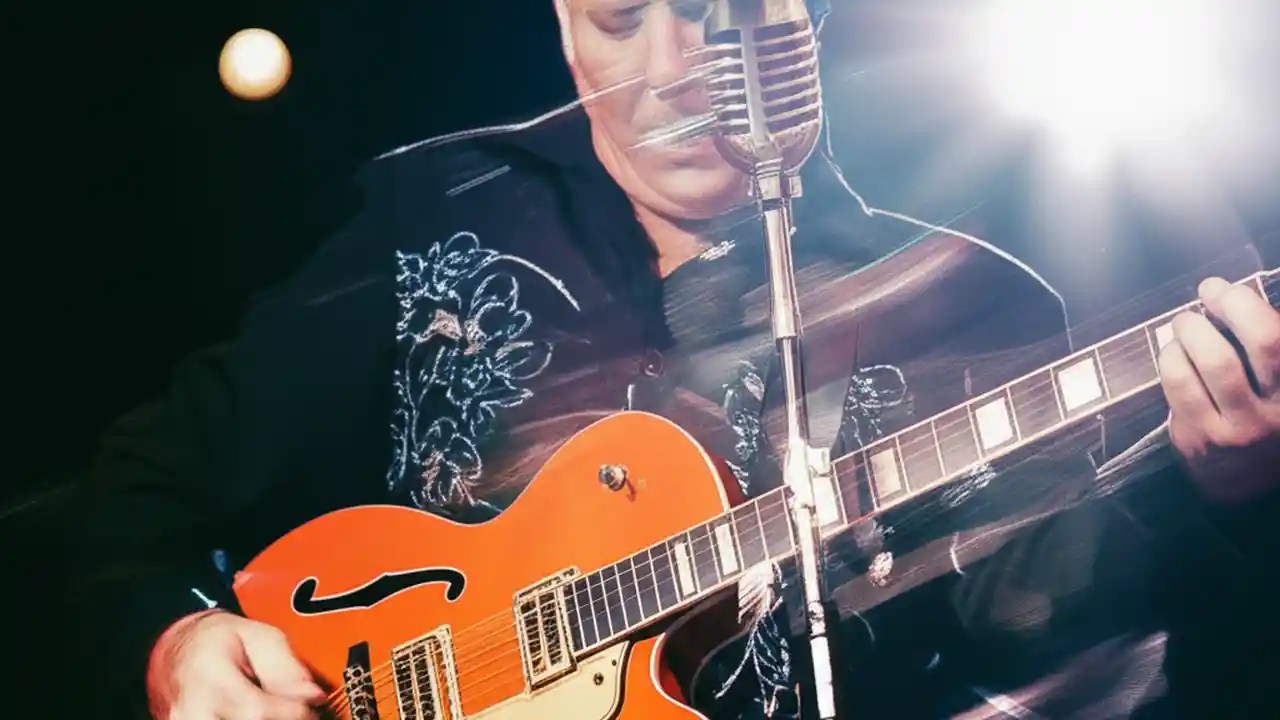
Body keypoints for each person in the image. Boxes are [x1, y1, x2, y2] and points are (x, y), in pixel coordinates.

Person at [71, 1, 1280, 719]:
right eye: (618, 18)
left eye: (717, 9)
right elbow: (137, 490)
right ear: (562, 29)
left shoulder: (969, 301)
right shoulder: (444, 211)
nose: (675, 65)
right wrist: (171, 643)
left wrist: (1231, 488)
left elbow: (1085, 656)